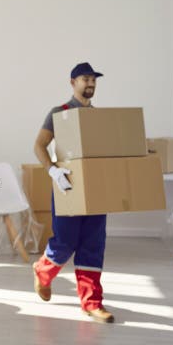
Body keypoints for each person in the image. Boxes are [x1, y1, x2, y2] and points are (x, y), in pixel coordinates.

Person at [31, 62, 114, 324]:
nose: (90, 83)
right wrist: (52, 171)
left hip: (96, 188)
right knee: (65, 241)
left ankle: (92, 303)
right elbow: (39, 146)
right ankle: (43, 273)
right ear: (72, 82)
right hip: (67, 186)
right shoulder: (60, 113)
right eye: (85, 79)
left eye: (93, 80)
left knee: (93, 244)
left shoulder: (100, 119)